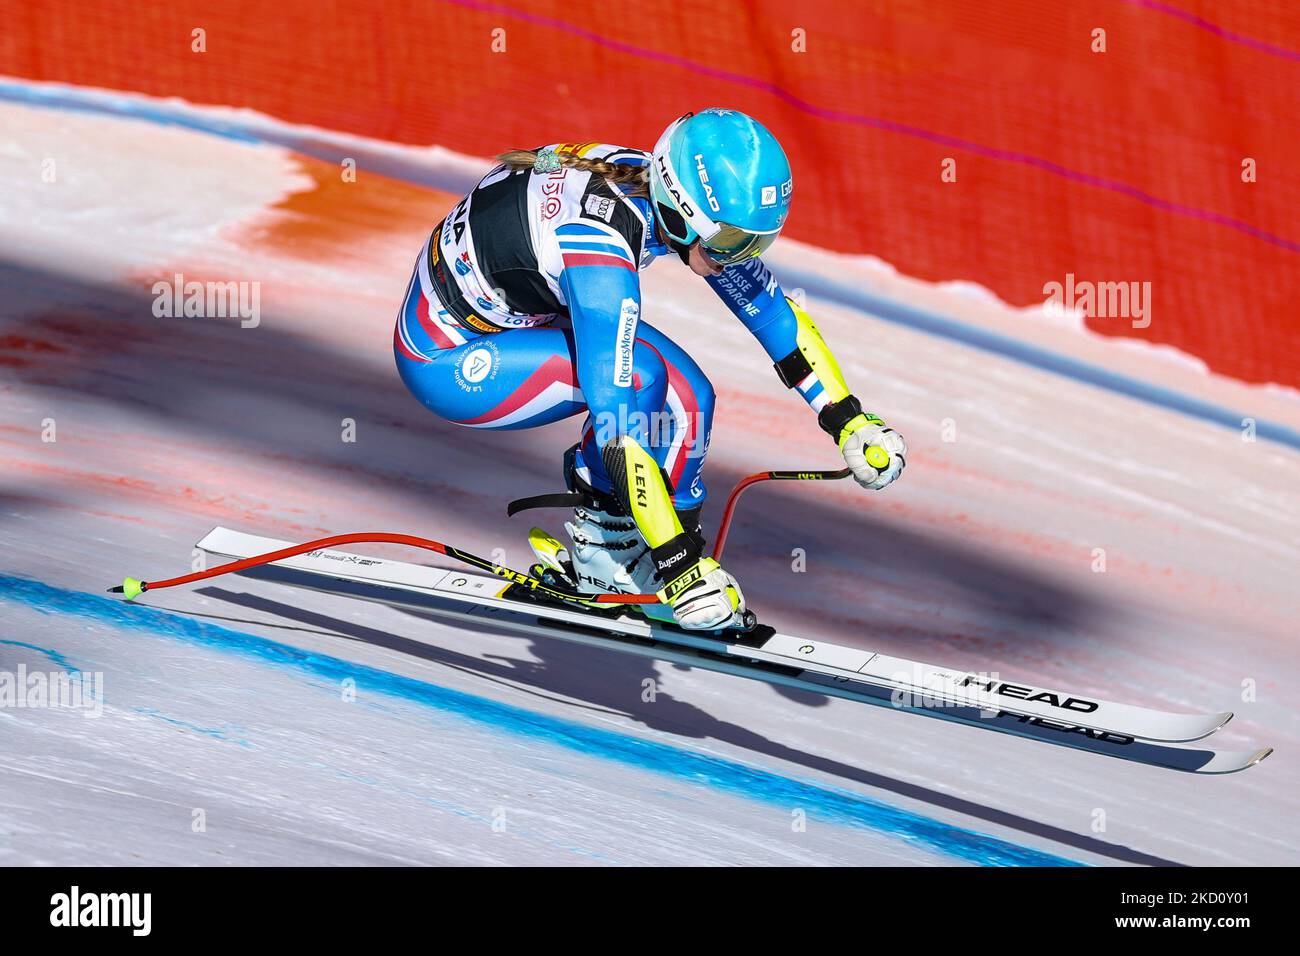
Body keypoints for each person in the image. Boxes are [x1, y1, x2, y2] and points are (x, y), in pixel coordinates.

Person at [394, 108, 906, 631]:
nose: (740, 258)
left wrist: (847, 417)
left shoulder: (657, 189)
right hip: (448, 358)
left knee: (692, 399)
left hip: (522, 314)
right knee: (639, 378)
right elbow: (616, 423)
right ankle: (607, 557)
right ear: (684, 215)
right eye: (733, 243)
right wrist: (678, 565)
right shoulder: (599, 250)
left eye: (758, 243)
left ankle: (654, 565)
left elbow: (772, 313)